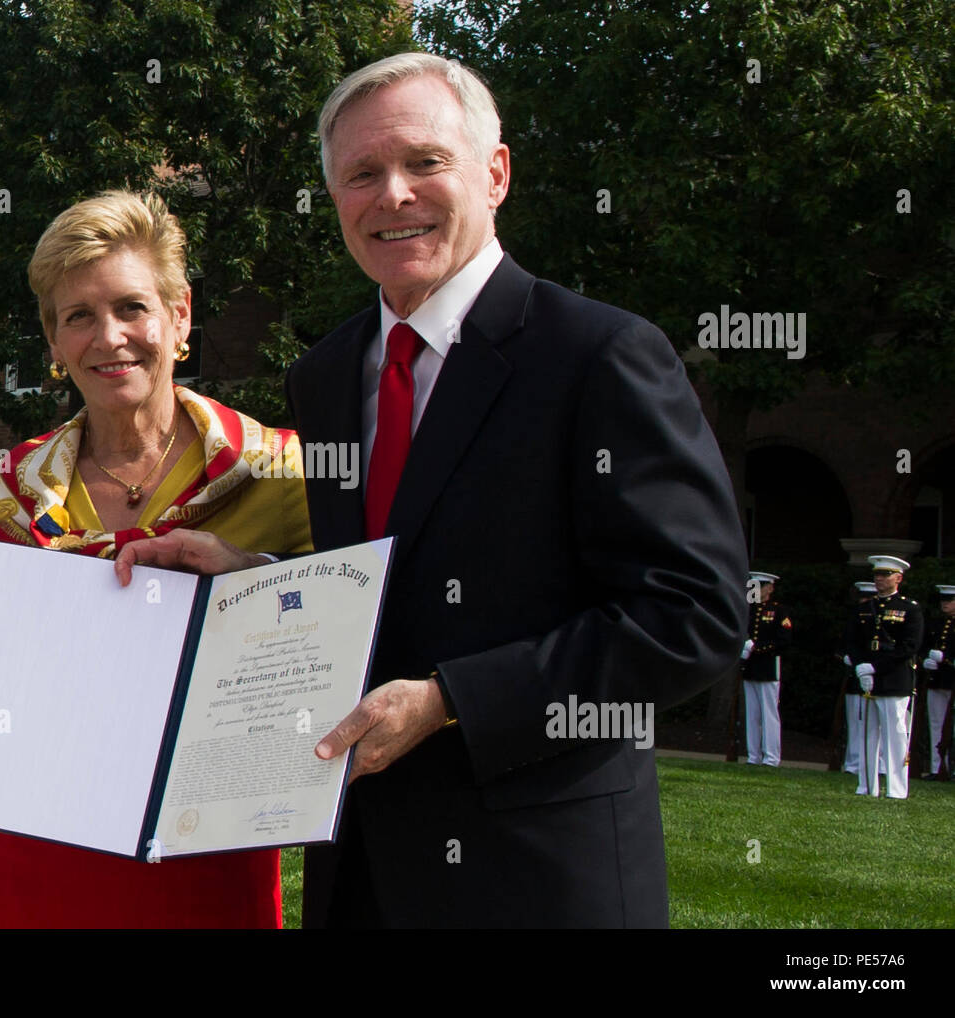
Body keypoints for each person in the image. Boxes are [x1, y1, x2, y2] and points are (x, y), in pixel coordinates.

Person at [282, 53, 748, 927]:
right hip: (360, 878)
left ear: (494, 174)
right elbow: (382, 586)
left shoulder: (599, 356)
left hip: (539, 881)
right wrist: (252, 578)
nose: (392, 195)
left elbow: (693, 615)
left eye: (425, 162)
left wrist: (451, 701)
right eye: (361, 173)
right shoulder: (325, 376)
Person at [0, 190, 312, 929]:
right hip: (33, 855)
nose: (108, 336)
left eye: (132, 307)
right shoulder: (8, 492)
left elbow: (336, 651)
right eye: (77, 316)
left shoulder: (281, 474)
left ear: (180, 317)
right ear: (53, 343)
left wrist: (248, 577)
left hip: (202, 858)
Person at [848, 555, 923, 799]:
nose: (879, 579)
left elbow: (908, 647)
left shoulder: (909, 609)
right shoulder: (863, 609)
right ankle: (866, 786)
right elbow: (854, 642)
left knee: (895, 736)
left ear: (898, 578)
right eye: (877, 574)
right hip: (869, 679)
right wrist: (860, 666)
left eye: (885, 574)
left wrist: (874, 667)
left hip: (895, 680)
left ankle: (896, 789)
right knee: (868, 734)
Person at [739, 572, 792, 766]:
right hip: (750, 666)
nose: (756, 590)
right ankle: (753, 756)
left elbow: (783, 640)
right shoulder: (748, 610)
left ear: (770, 588)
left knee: (769, 713)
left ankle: (771, 757)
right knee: (752, 713)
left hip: (768, 665)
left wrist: (757, 647)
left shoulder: (778, 611)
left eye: (760, 586)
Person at [838, 581, 876, 775]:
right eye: (863, 598)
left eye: (868, 598)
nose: (864, 602)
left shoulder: (878, 619)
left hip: (874, 674)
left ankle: (872, 762)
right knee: (854, 721)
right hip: (855, 675)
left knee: (872, 724)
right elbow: (846, 641)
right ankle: (853, 762)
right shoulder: (855, 618)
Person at [919, 584, 955, 778]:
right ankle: (937, 767)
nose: (945, 604)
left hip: (952, 681)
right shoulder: (936, 624)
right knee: (936, 723)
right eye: (943, 600)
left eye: (950, 600)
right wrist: (925, 660)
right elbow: (922, 646)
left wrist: (947, 659)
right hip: (936, 680)